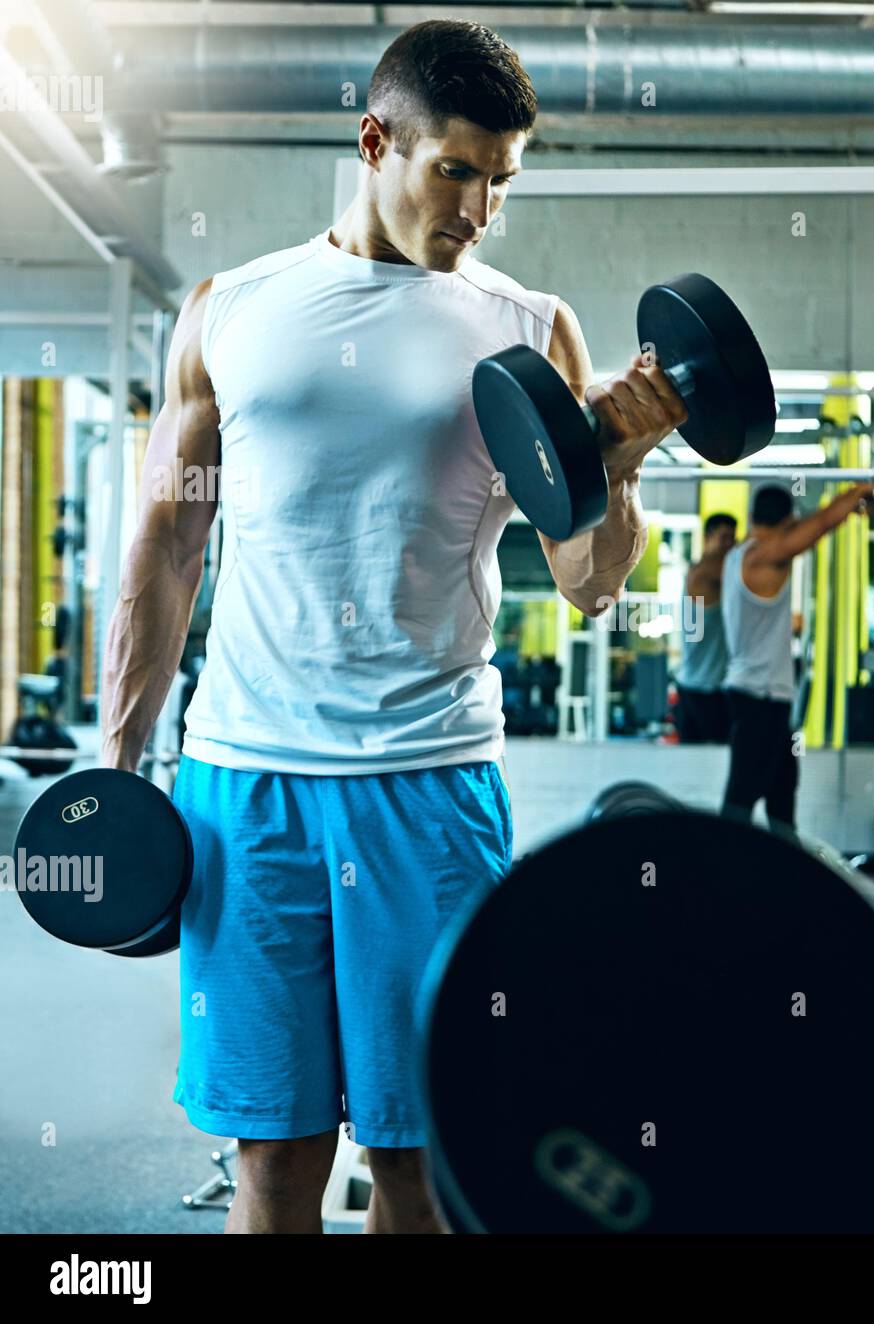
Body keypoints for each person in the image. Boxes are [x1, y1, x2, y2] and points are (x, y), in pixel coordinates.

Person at [97, 19, 687, 1234]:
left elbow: (586, 583)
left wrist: (619, 467)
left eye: (501, 181)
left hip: (429, 784)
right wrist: (116, 764)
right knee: (273, 1157)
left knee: (422, 1153)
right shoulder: (229, 310)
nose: (478, 211)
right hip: (245, 781)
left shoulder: (528, 328)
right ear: (376, 142)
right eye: (455, 171)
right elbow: (165, 547)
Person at [720, 482, 874, 834]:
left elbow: (807, 526)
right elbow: (820, 524)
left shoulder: (739, 554)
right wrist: (860, 489)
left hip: (767, 699)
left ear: (751, 516)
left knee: (781, 801)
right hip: (758, 698)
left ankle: (786, 867)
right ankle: (718, 866)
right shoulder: (764, 557)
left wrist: (852, 508)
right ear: (786, 522)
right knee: (739, 804)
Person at [674, 512, 736, 743]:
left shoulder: (722, 571)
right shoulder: (704, 572)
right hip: (700, 691)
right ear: (707, 538)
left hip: (708, 687)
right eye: (724, 538)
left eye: (733, 539)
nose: (730, 545)